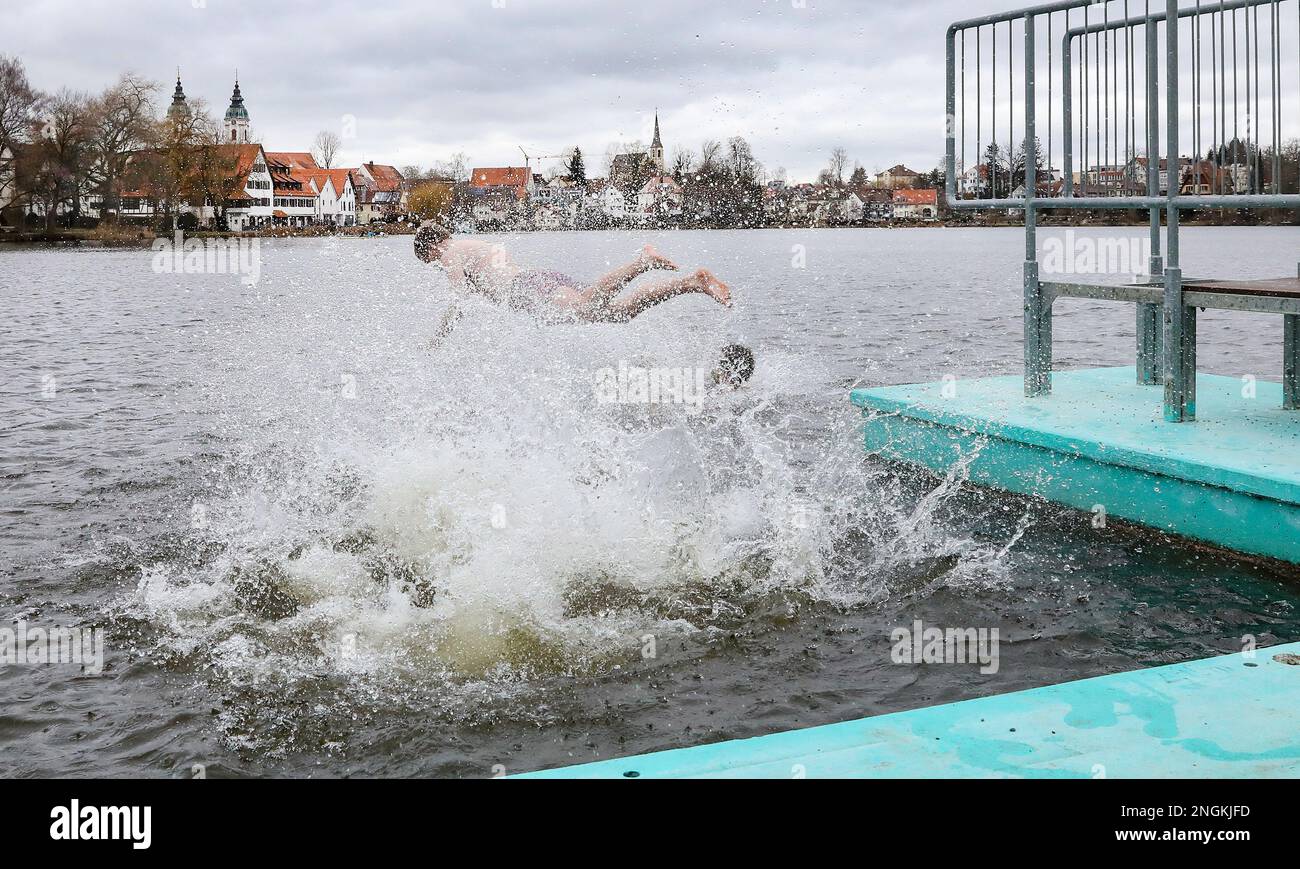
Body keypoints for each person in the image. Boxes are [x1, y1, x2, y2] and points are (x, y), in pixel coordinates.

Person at [414, 221, 732, 331]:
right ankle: (691, 283)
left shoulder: (452, 251)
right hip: (535, 284)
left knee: (587, 303)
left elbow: (459, 299)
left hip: (528, 288)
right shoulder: (478, 245)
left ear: (431, 248)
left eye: (429, 261)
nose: (435, 266)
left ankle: (643, 262)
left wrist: (438, 338)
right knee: (620, 313)